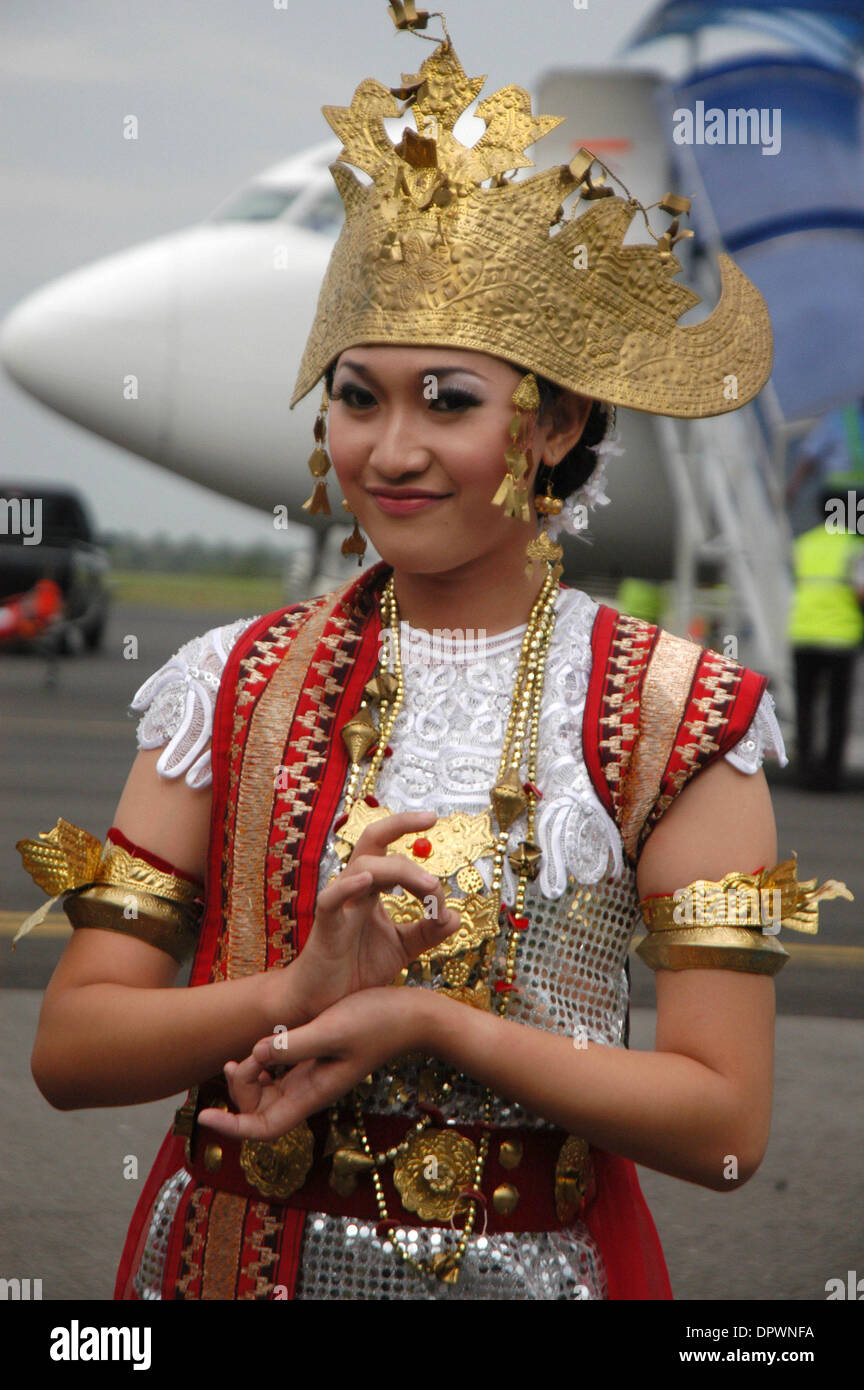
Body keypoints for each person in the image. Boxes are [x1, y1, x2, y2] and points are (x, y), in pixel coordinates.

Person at [19, 5, 853, 1301]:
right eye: (357, 396)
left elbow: (728, 1129)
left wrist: (431, 1020)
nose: (389, 450)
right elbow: (71, 1051)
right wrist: (294, 986)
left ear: (560, 420)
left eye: (448, 400)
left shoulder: (676, 714)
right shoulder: (225, 684)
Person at [786, 486, 864, 790]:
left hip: (803, 634)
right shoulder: (854, 547)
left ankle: (804, 770)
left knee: (805, 706)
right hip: (840, 639)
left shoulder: (804, 543)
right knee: (836, 710)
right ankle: (830, 775)